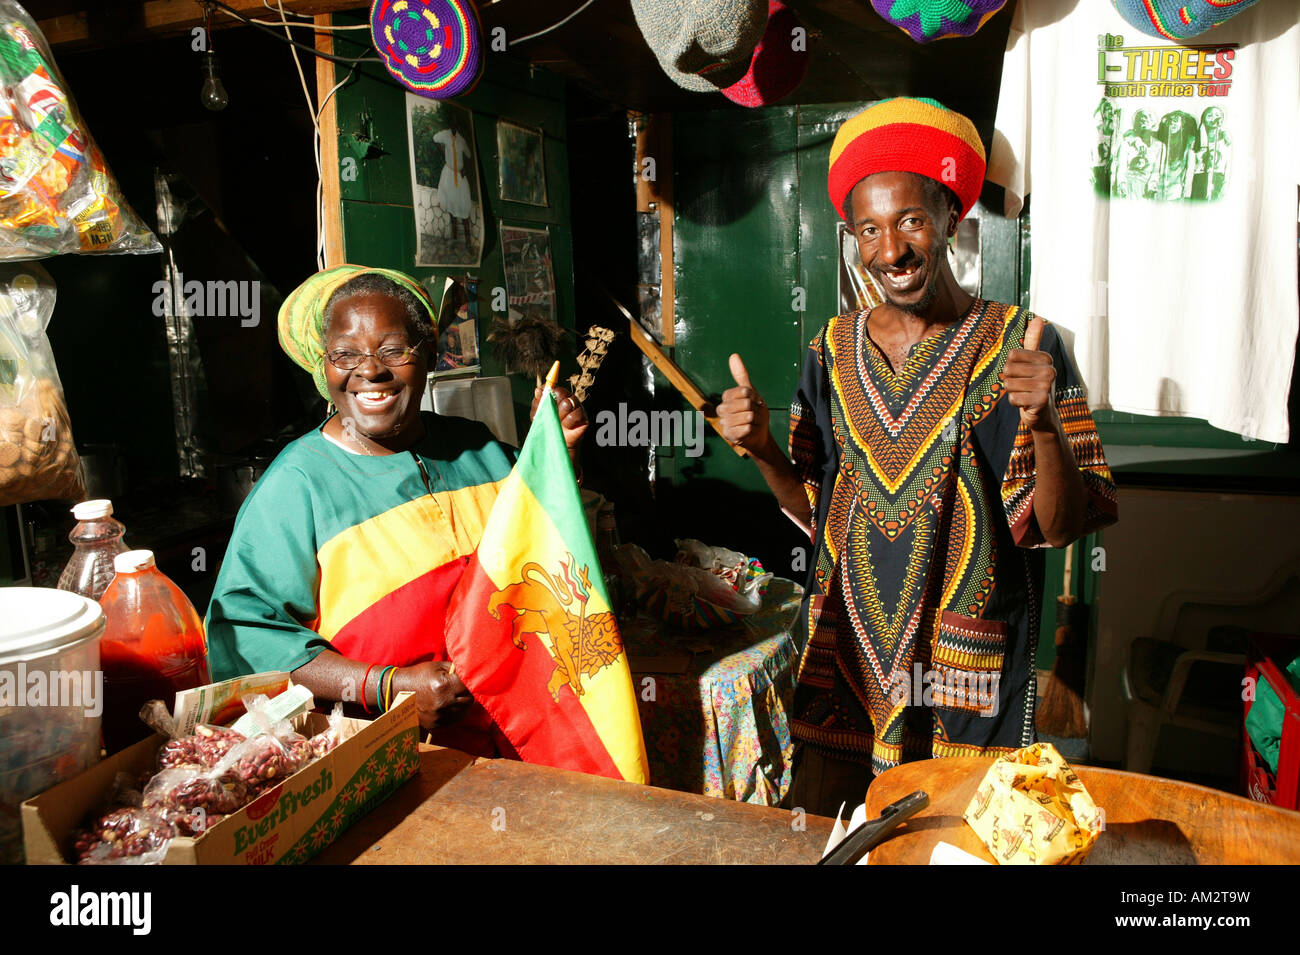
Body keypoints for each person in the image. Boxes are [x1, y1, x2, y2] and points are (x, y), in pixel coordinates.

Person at [717, 98, 1118, 817]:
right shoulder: (831, 351)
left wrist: (1046, 424)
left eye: (909, 221)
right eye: (869, 230)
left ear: (950, 221)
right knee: (834, 839)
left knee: (959, 847)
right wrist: (764, 451)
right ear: (852, 239)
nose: (891, 250)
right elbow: (813, 512)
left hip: (964, 676)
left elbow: (1060, 528)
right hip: (846, 672)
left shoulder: (1024, 343)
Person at [205, 265, 587, 755]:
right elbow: (246, 637)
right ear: (324, 368)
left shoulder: (478, 450)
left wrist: (559, 452)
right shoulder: (296, 486)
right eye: (345, 354)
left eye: (392, 350)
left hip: (523, 728)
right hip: (395, 755)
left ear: (428, 354)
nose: (369, 370)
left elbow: (548, 550)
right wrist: (388, 687)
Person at [1111, 108, 1163, 199]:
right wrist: (1122, 184)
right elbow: (1121, 167)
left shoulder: (1159, 145)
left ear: (1153, 123)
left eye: (1147, 119)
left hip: (1147, 189)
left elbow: (1156, 170)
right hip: (1129, 187)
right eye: (1140, 119)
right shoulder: (1126, 143)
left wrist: (1153, 185)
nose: (1143, 121)